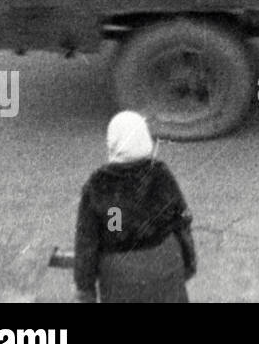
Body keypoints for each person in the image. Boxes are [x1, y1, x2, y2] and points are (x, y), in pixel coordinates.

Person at [75, 111, 195, 303]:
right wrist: (188, 263)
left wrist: (85, 289)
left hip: (121, 274)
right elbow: (182, 222)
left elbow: (86, 243)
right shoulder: (161, 174)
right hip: (166, 262)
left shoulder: (98, 185)